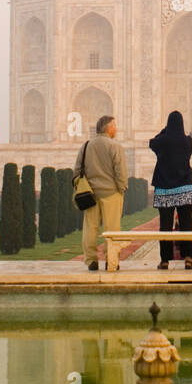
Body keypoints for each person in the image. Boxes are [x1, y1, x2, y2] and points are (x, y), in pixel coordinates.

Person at [75, 115, 128, 271]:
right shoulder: (114, 146)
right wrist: (122, 187)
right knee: (112, 229)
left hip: (90, 194)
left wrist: (82, 187)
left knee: (90, 228)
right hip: (111, 193)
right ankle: (111, 260)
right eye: (114, 126)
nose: (116, 128)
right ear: (108, 128)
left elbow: (77, 170)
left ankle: (91, 260)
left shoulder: (86, 146)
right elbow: (121, 171)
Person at [148, 110, 192, 270]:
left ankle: (165, 260)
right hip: (185, 187)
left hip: (165, 189)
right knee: (186, 224)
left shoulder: (162, 141)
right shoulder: (187, 141)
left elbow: (152, 143)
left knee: (165, 226)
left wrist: (164, 131)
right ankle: (188, 257)